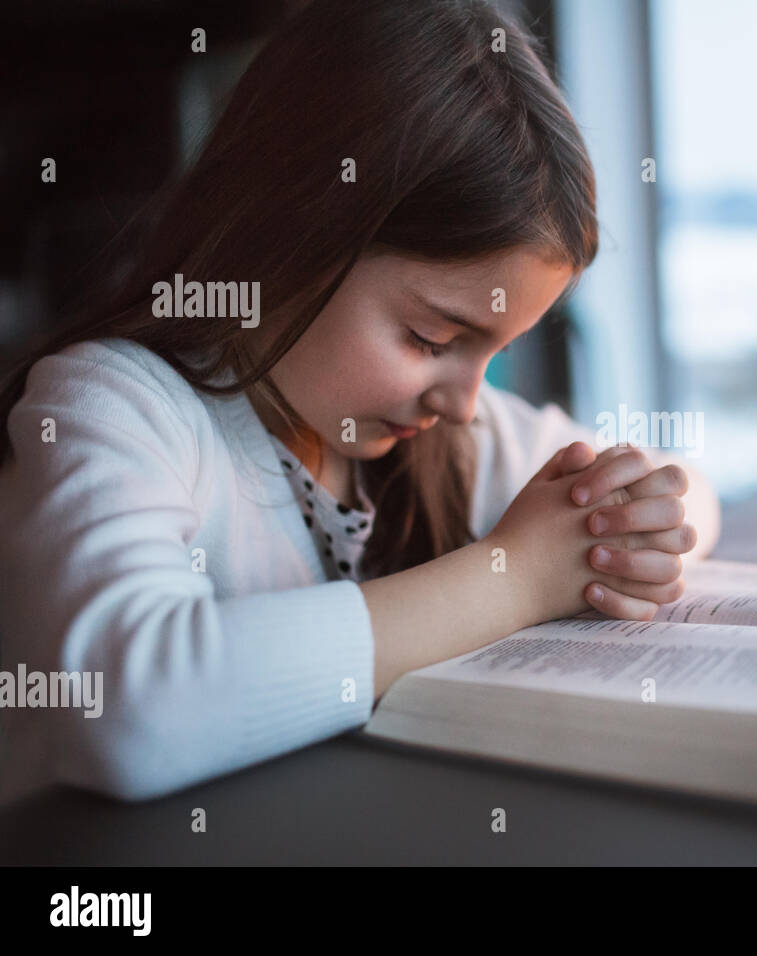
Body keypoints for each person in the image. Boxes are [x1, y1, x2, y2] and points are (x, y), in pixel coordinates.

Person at [0, 0, 720, 804]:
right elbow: (129, 711)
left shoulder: (441, 441)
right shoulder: (113, 410)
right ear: (289, 234)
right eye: (432, 339)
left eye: (497, 352)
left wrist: (630, 527)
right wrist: (512, 577)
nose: (463, 401)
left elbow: (690, 489)